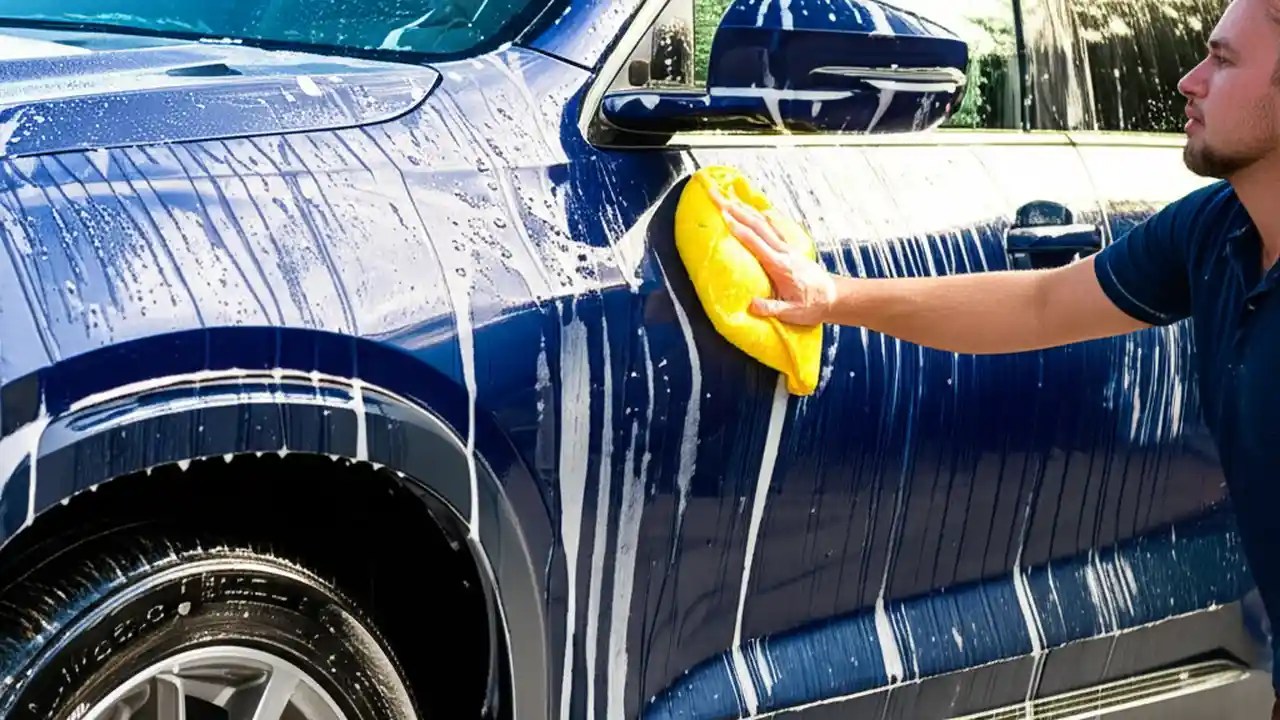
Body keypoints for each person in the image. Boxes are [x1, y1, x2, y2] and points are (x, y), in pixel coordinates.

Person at [709, 0, 1280, 715]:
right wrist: (834, 295)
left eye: (1223, 61)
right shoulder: (1219, 230)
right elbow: (1041, 303)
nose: (1189, 81)